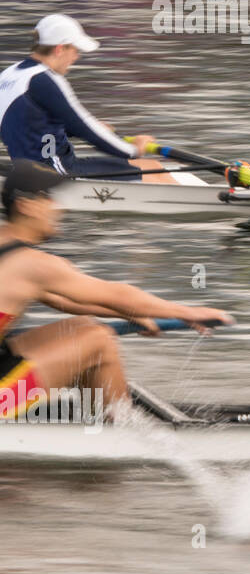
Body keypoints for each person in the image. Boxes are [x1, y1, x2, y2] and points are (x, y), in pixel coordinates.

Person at [0, 161, 233, 420]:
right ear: (25, 205)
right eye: (49, 199)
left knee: (83, 328)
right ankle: (122, 438)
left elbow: (65, 300)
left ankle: (100, 420)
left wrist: (132, 315)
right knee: (99, 340)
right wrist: (189, 312)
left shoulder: (11, 252)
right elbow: (117, 294)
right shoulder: (33, 265)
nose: (59, 207)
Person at [0, 14, 170, 183]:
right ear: (60, 49)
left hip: (24, 170)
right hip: (56, 172)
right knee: (155, 171)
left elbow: (28, 126)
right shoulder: (44, 79)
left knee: (149, 165)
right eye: (75, 50)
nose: (76, 57)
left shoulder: (9, 75)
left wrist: (89, 128)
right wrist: (133, 149)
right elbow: (83, 126)